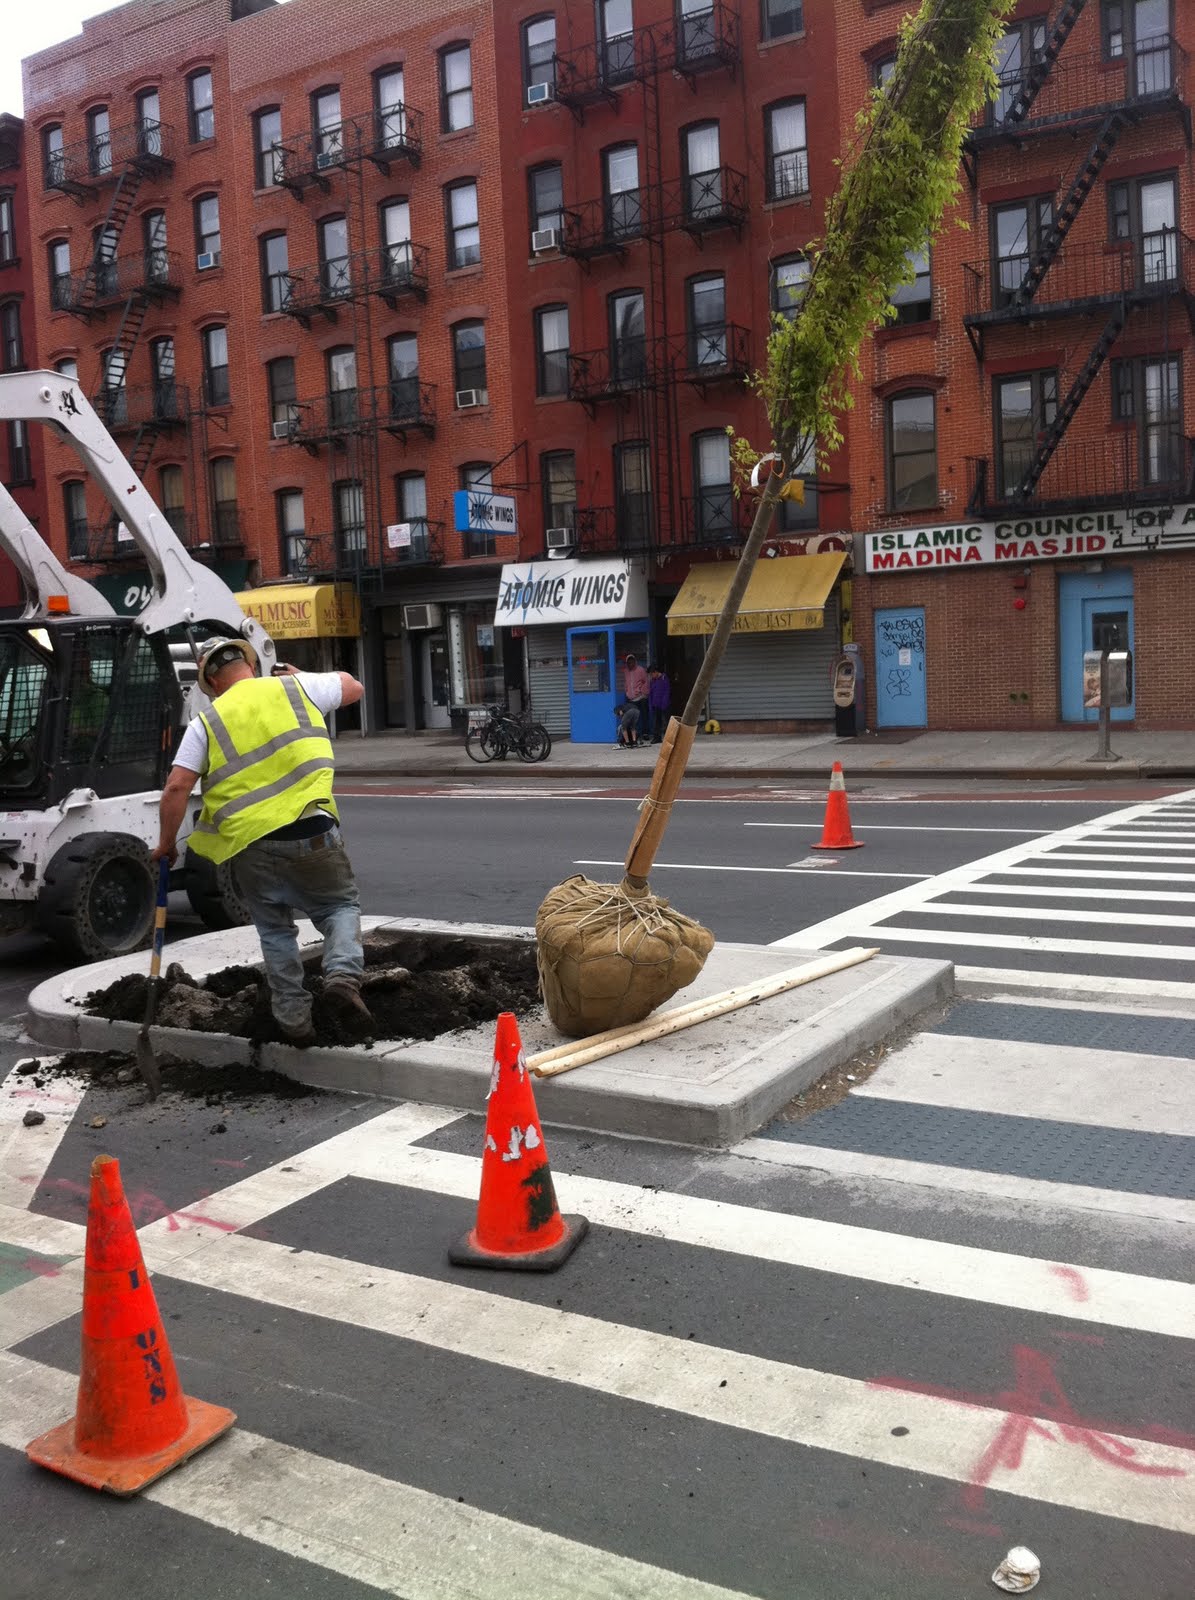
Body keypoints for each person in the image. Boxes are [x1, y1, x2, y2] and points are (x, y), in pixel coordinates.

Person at [153, 638, 372, 1047]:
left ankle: (294, 1021)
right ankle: (342, 977)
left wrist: (167, 844)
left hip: (252, 844)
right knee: (338, 906)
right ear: (251, 665)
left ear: (213, 683)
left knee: (274, 930)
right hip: (314, 828)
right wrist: (302, 676)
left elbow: (176, 787)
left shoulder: (207, 722)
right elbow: (353, 687)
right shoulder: (296, 688)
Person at [623, 653, 649, 743]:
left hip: (640, 697)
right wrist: (626, 692)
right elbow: (626, 683)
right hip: (630, 698)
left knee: (644, 716)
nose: (630, 664)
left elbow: (645, 681)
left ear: (635, 661)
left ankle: (645, 733)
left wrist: (643, 692)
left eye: (632, 661)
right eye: (628, 662)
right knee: (632, 717)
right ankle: (635, 734)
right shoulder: (626, 671)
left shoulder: (640, 670)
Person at [648, 665, 671, 744]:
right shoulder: (652, 681)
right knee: (656, 722)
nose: (651, 676)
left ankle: (669, 738)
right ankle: (657, 737)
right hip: (655, 704)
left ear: (656, 672)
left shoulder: (664, 678)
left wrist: (664, 703)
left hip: (663, 704)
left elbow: (666, 692)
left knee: (665, 721)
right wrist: (651, 705)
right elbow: (650, 693)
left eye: (652, 674)